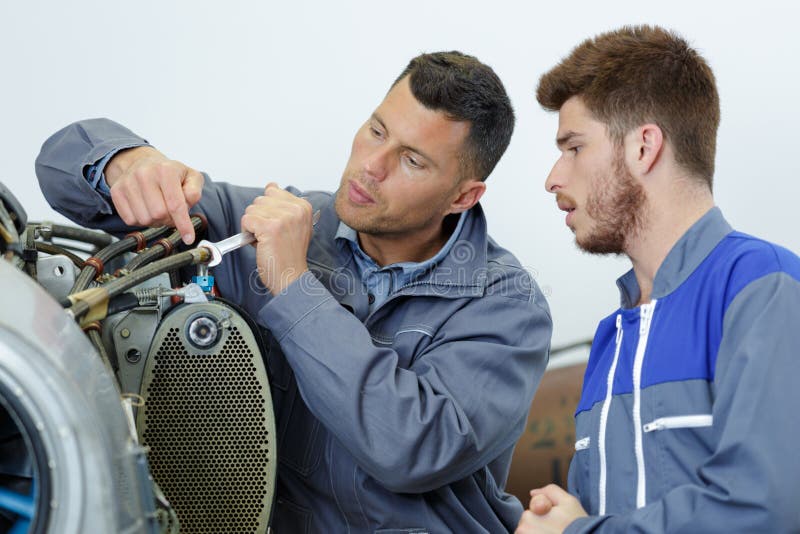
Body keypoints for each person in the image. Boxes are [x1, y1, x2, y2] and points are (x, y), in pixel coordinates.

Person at [36, 51, 552, 532]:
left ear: (463, 196)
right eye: (376, 131)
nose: (373, 166)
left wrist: (291, 285)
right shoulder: (268, 222)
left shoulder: (507, 305)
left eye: (413, 161)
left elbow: (413, 448)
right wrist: (123, 162)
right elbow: (63, 167)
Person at [515, 25, 800, 533]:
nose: (553, 178)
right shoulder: (611, 338)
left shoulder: (764, 289)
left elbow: (765, 510)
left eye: (574, 147)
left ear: (644, 147)